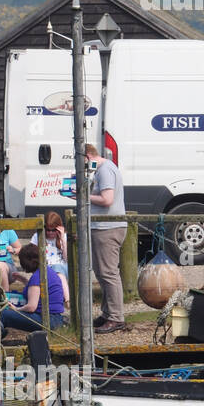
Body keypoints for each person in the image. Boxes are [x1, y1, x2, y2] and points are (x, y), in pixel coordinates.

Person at [86, 142, 128, 332]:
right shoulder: (105, 169)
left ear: (87, 157)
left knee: (109, 273)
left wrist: (82, 195)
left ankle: (116, 317)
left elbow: (107, 199)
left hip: (107, 228)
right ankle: (107, 313)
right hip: (103, 227)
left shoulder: (104, 170)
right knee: (102, 272)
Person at [0, 243, 68, 333]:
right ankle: (0, 332)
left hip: (47, 320)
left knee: (3, 314)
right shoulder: (47, 271)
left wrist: (16, 309)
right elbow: (39, 291)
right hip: (56, 319)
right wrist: (25, 281)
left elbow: (31, 307)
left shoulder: (37, 277)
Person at [30, 211, 69, 278]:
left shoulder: (64, 237)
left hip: (61, 268)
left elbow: (67, 259)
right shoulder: (37, 236)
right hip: (44, 268)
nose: (50, 233)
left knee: (57, 268)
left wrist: (62, 240)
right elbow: (31, 255)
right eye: (48, 230)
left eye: (53, 230)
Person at [0, 226, 21, 292]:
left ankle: (5, 296)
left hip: (8, 268)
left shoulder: (8, 230)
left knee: (0, 266)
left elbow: (20, 248)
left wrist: (13, 250)